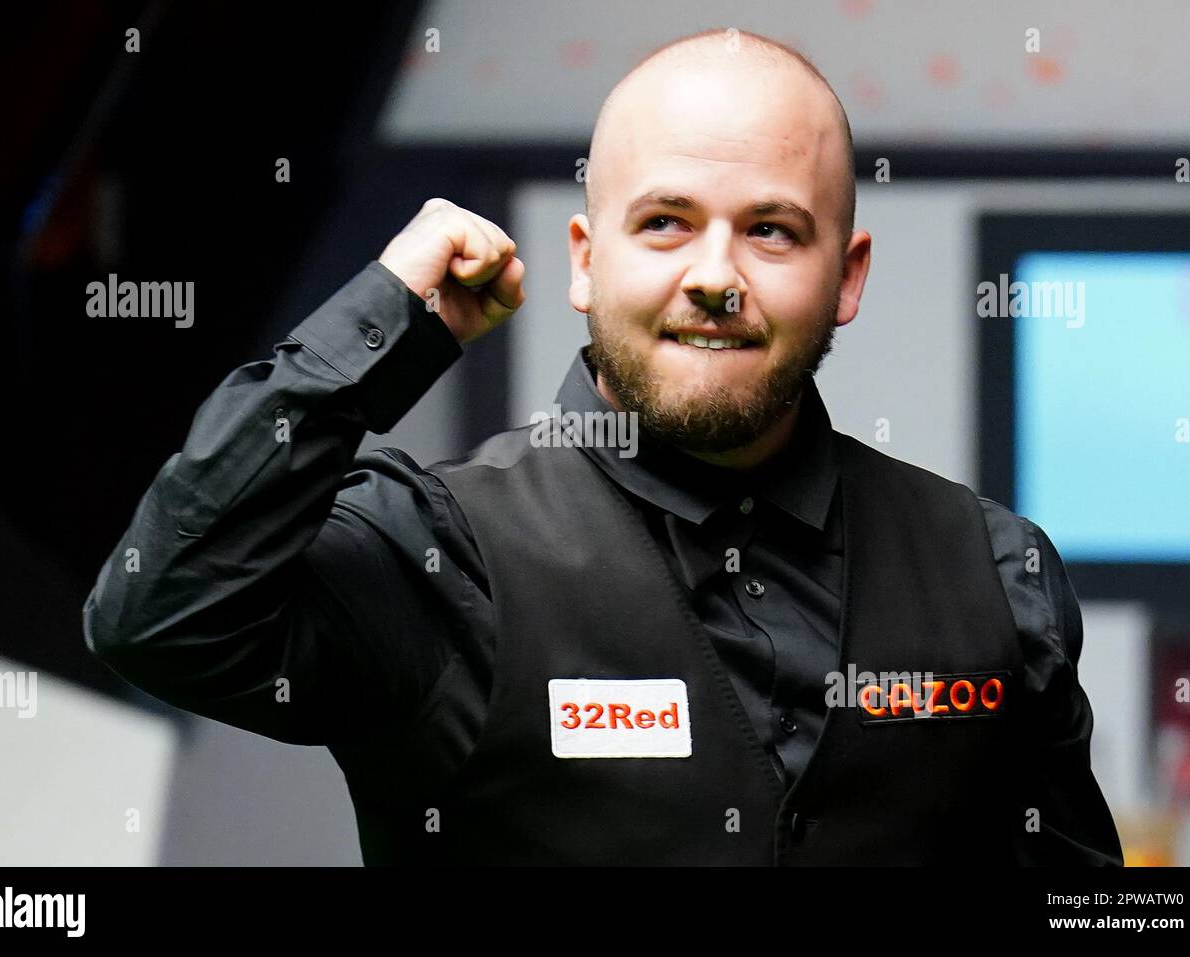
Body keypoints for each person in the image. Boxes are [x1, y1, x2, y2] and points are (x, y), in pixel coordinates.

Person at [82, 28, 1124, 865]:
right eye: (666, 222)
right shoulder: (439, 554)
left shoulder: (996, 571)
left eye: (770, 230)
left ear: (845, 277)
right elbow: (160, 615)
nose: (714, 277)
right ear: (585, 260)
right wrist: (386, 325)